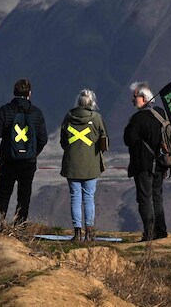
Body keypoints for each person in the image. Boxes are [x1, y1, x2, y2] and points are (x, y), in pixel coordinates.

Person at [0, 78, 47, 225]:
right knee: (24, 196)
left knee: (3, 195)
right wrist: (32, 153)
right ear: (29, 93)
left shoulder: (5, 110)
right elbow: (43, 139)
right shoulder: (36, 113)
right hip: (28, 162)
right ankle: (20, 227)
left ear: (14, 92)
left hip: (8, 160)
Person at [59, 88, 107, 241]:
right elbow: (104, 141)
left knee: (75, 197)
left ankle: (77, 232)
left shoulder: (68, 117)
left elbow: (63, 140)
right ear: (92, 102)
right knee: (89, 197)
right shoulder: (97, 118)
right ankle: (89, 232)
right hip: (91, 164)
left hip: (72, 164)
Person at [123, 81, 168, 241]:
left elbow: (129, 139)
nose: (133, 100)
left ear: (143, 97)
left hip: (143, 164)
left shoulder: (138, 118)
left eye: (135, 97)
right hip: (162, 164)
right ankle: (161, 231)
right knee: (157, 196)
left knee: (144, 197)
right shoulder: (161, 114)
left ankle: (149, 232)